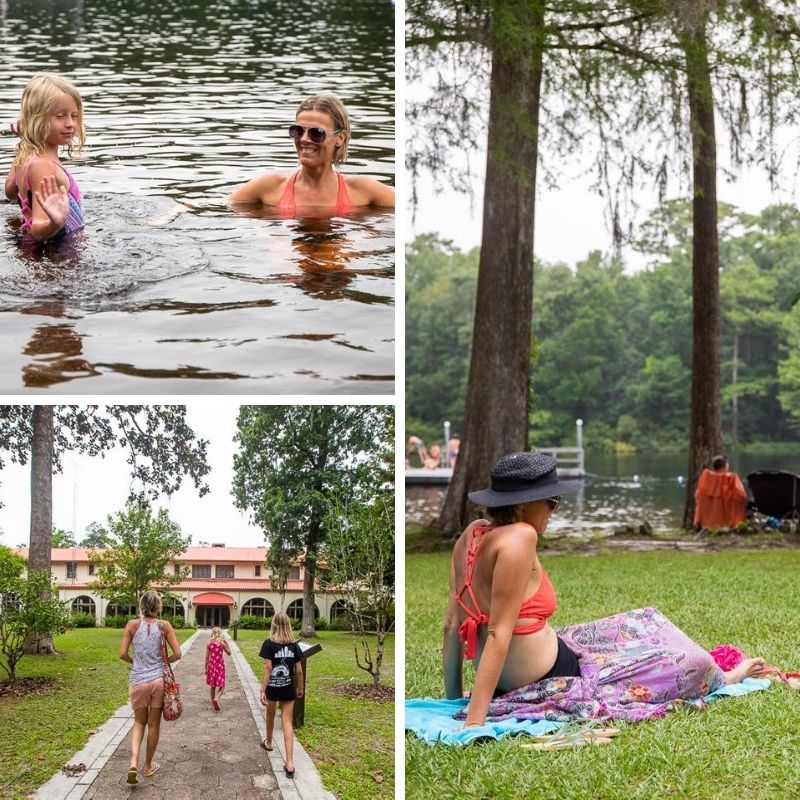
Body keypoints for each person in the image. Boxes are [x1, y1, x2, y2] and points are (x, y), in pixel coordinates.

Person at [444, 451, 766, 728]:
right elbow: (500, 634)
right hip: (551, 678)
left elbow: (451, 626)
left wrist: (452, 698)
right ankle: (726, 677)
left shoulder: (473, 534)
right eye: (552, 501)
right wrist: (474, 720)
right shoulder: (520, 537)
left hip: (536, 662)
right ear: (526, 504)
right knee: (693, 663)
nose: (554, 512)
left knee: (643, 620)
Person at [228, 94, 395, 214]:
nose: (304, 139)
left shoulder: (362, 190)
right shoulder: (269, 185)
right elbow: (219, 209)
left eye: (316, 133)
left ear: (340, 138)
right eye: (297, 131)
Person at [4, 73, 85, 242]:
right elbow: (38, 229)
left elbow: (10, 192)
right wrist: (56, 222)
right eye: (60, 116)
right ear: (37, 119)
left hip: (36, 252)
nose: (70, 123)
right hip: (58, 255)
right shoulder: (44, 166)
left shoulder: (27, 156)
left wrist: (26, 140)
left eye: (74, 115)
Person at [119, 591, 182, 785]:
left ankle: (132, 763)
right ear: (158, 607)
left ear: (141, 606)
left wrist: (135, 663)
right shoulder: (164, 626)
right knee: (153, 724)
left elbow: (122, 654)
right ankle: (147, 766)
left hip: (138, 680)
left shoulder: (131, 625)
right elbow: (177, 654)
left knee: (139, 722)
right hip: (157, 681)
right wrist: (163, 662)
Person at [259, 612, 304, 779]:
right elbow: (298, 671)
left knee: (270, 716)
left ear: (273, 625)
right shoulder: (294, 646)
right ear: (288, 625)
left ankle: (269, 743)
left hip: (273, 687)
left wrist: (262, 689)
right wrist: (300, 688)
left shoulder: (268, 644)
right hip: (288, 688)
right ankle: (290, 763)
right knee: (287, 722)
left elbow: (268, 669)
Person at [693, 455, 747, 530]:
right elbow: (741, 495)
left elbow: (697, 495)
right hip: (726, 518)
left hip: (706, 520)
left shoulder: (706, 478)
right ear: (725, 465)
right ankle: (732, 524)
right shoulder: (731, 478)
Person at [205, 626, 231, 711]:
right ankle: (217, 698)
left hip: (212, 666)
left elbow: (207, 658)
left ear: (212, 634)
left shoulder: (209, 644)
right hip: (220, 666)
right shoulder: (222, 644)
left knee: (213, 686)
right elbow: (229, 653)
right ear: (220, 634)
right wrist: (227, 643)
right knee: (222, 685)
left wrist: (206, 668)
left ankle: (213, 703)